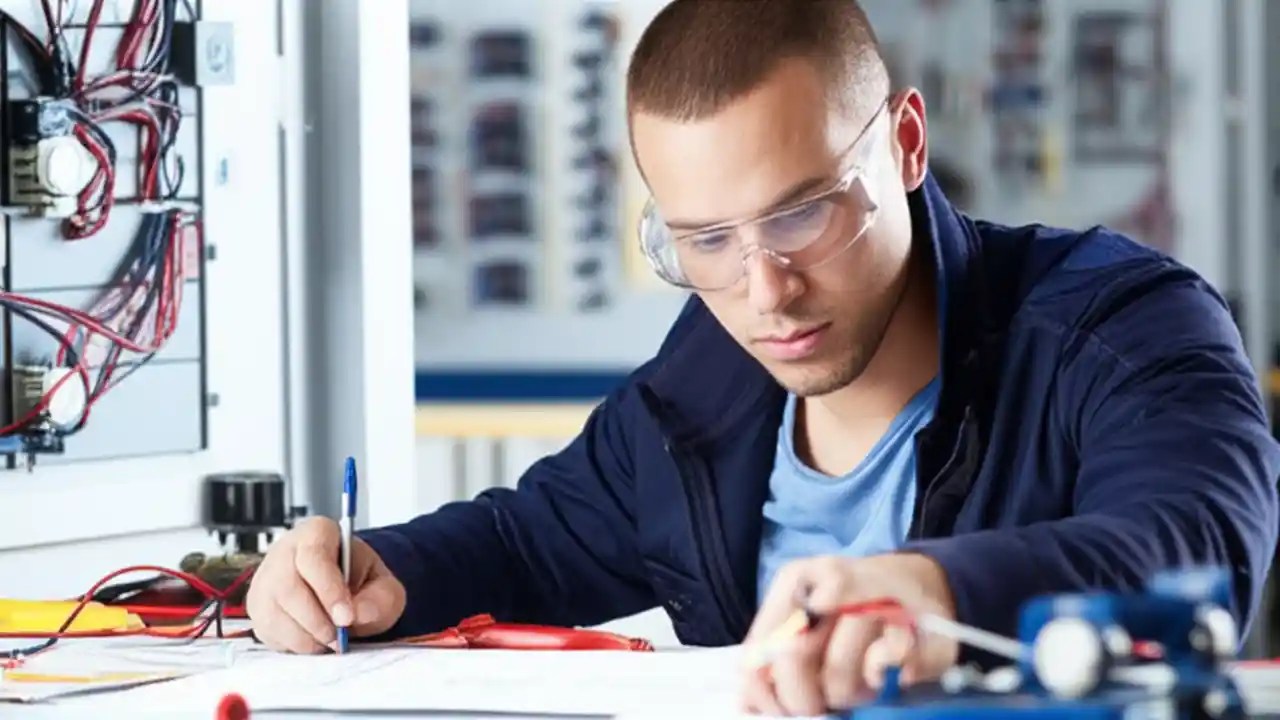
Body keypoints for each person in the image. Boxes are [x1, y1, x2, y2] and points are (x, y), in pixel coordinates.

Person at [246, 0, 1280, 715]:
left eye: (799, 217)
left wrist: (933, 592)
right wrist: (372, 572)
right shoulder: (708, 380)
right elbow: (528, 543)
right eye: (705, 241)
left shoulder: (1116, 323)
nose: (762, 290)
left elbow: (1194, 549)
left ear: (905, 145)